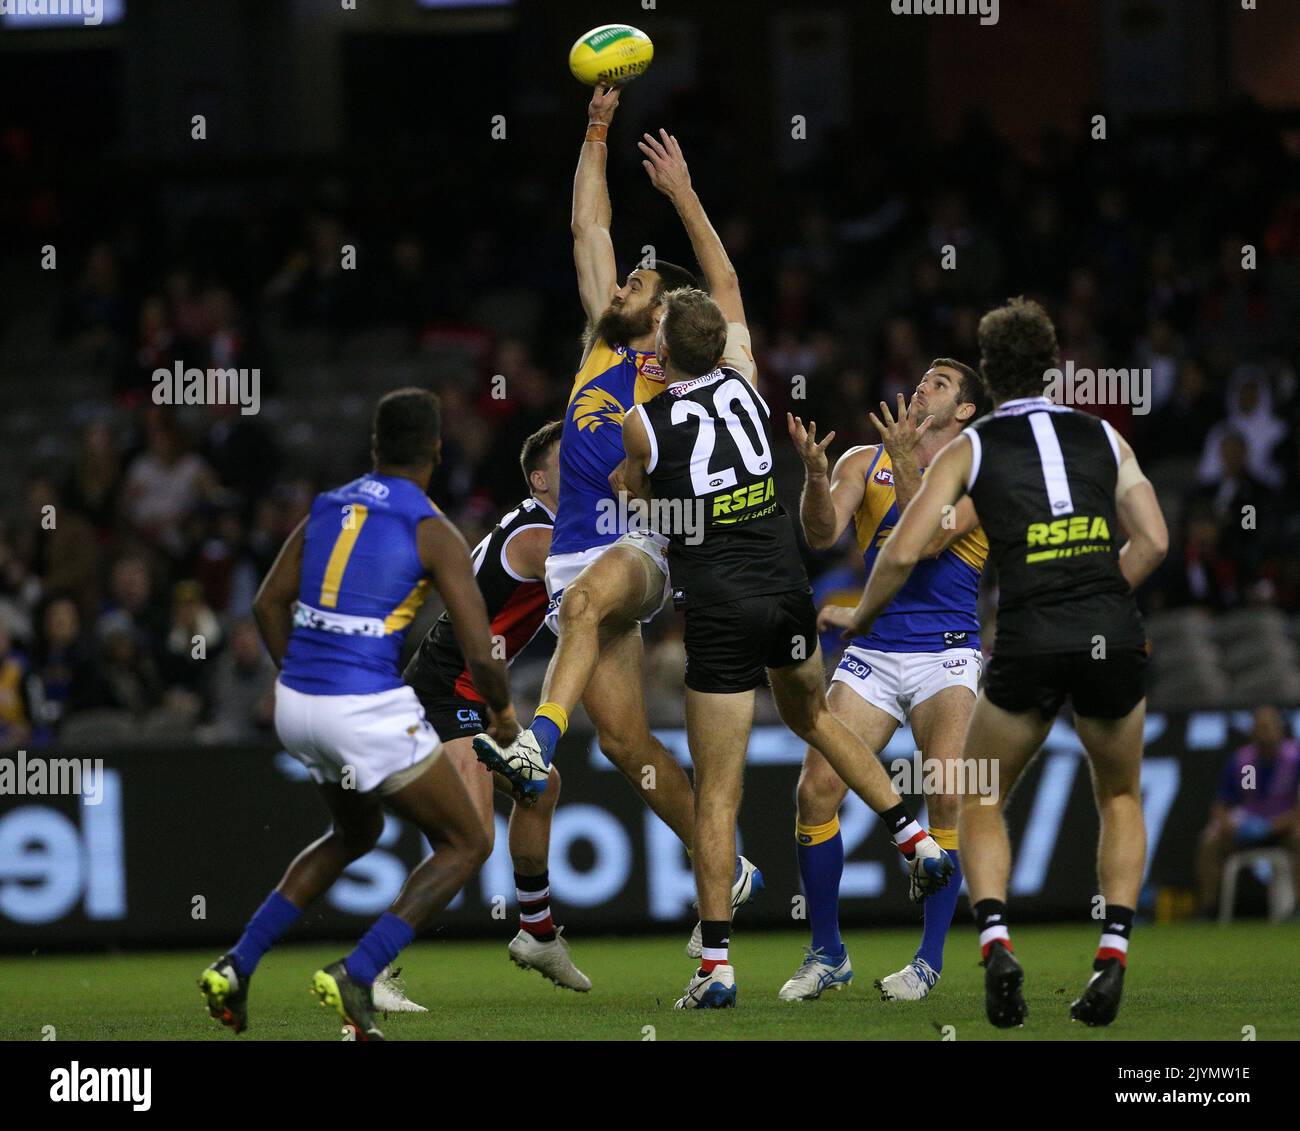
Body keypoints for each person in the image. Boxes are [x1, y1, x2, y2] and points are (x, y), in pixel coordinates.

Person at [474, 88, 764, 954]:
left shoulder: (677, 377)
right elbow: (587, 230)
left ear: (662, 318)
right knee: (627, 742)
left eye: (639, 283)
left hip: (641, 550)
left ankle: (535, 743)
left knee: (589, 609)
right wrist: (595, 131)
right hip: (576, 561)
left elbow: (724, 287)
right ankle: (730, 866)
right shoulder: (602, 346)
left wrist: (684, 196)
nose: (625, 280)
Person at [841, 296, 1168, 1029]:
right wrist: (1101, 599)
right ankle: (1112, 947)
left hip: (1028, 632)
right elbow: (1153, 542)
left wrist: (856, 615)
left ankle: (994, 942)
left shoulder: (971, 447)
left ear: (988, 372)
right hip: (1110, 631)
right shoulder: (1104, 438)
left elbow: (902, 549)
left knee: (978, 793)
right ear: (1053, 365)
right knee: (1120, 795)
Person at [621, 287, 953, 1009]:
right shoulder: (746, 385)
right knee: (817, 721)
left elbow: (643, 502)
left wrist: (635, 485)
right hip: (787, 591)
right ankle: (914, 839)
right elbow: (728, 303)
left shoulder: (640, 422)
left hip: (719, 606)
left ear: (666, 352)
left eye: (656, 336)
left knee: (717, 795)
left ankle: (716, 967)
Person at [198, 388, 514, 1041]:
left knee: (353, 834)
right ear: (436, 448)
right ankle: (359, 968)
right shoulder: (433, 529)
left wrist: (299, 683)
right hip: (361, 704)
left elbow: (264, 604)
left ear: (374, 447)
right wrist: (505, 717)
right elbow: (481, 654)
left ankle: (237, 963)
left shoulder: (325, 505)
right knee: (468, 841)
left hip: (296, 705)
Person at [779, 358, 990, 1003]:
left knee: (946, 789)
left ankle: (926, 962)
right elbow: (820, 533)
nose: (924, 386)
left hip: (946, 651)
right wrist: (816, 476)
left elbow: (923, 542)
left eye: (942, 385)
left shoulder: (979, 470)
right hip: (873, 649)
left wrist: (903, 461)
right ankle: (827, 954)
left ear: (964, 412)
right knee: (815, 792)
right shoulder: (861, 461)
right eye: (924, 378)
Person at [403, 420, 590, 993]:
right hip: (447, 690)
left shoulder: (544, 525)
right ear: (540, 478)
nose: (583, 462)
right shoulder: (538, 538)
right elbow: (591, 599)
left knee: (542, 785)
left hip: (473, 691)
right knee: (471, 841)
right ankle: (374, 964)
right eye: (569, 458)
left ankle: (536, 932)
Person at [1196, 705, 1300, 917]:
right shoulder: (1246, 762)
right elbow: (1229, 801)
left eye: (1267, 727)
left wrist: (1273, 825)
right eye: (1258, 728)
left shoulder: (1294, 759)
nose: (1262, 733)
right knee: (1209, 840)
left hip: (1283, 828)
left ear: (1279, 729)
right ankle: (1209, 908)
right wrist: (1226, 823)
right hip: (1248, 828)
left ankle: (1297, 906)